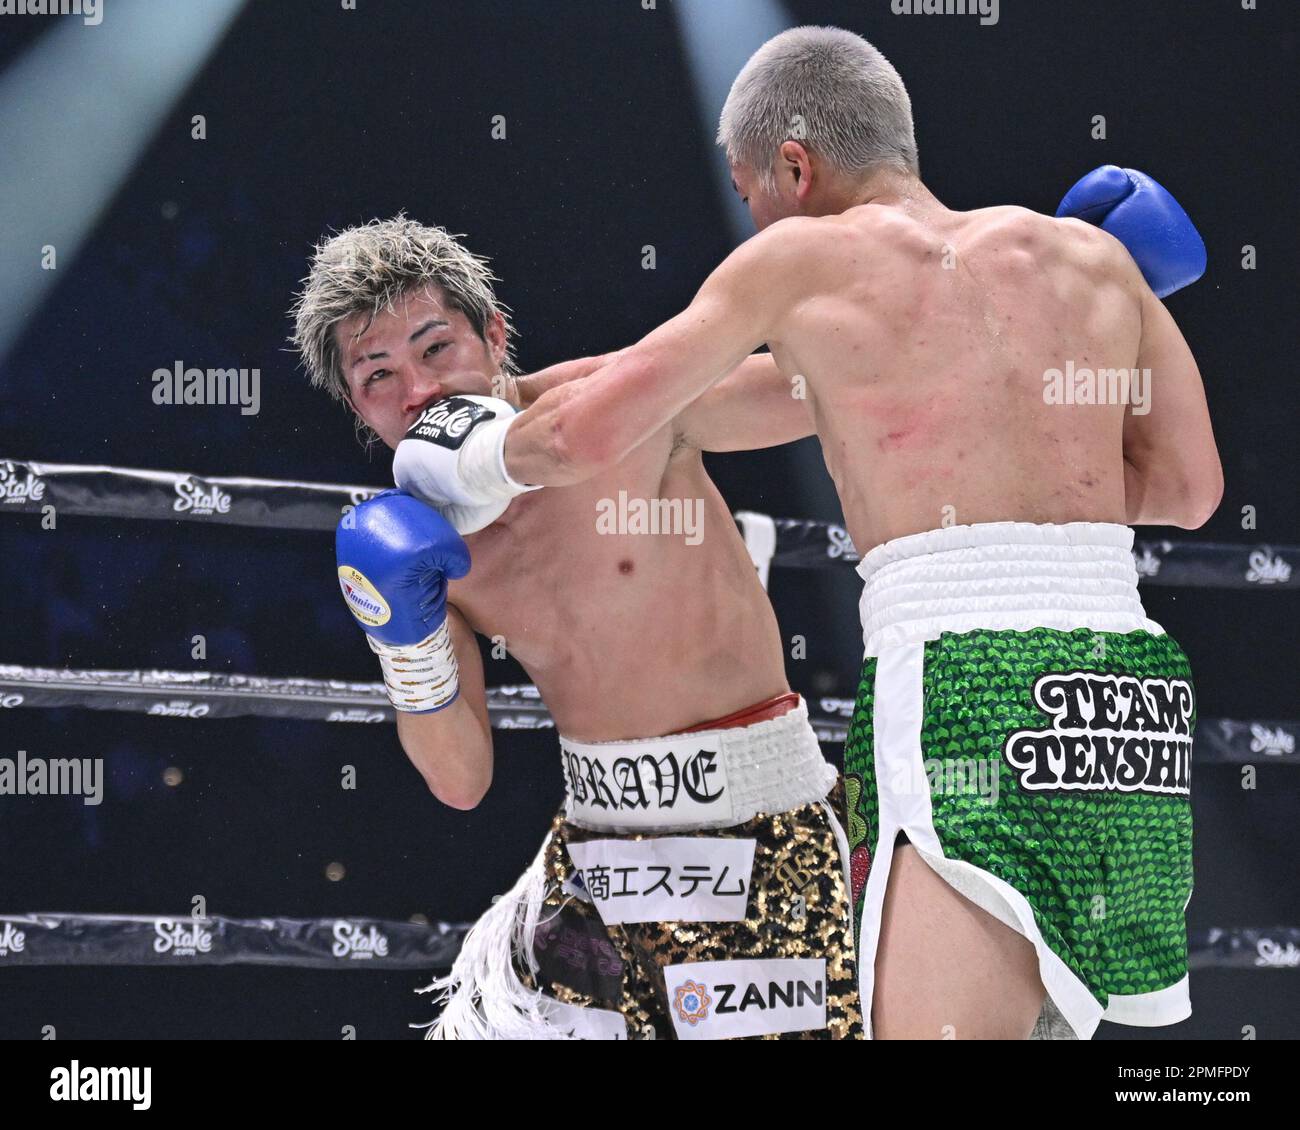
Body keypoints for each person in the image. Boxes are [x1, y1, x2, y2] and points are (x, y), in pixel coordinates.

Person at [400, 27, 1222, 1040]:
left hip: (965, 681)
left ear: (794, 165)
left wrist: (468, 453)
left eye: (749, 192)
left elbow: (593, 427)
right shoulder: (1091, 257)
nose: (752, 216)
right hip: (1126, 700)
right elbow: (1187, 488)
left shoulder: (802, 259)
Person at [290, 216, 860, 1040]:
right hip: (599, 858)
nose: (418, 391)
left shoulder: (610, 409)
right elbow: (459, 779)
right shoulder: (420, 547)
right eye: (379, 373)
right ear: (354, 403)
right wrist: (404, 641)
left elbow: (828, 390)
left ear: (494, 334)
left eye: (435, 348)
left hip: (764, 824)